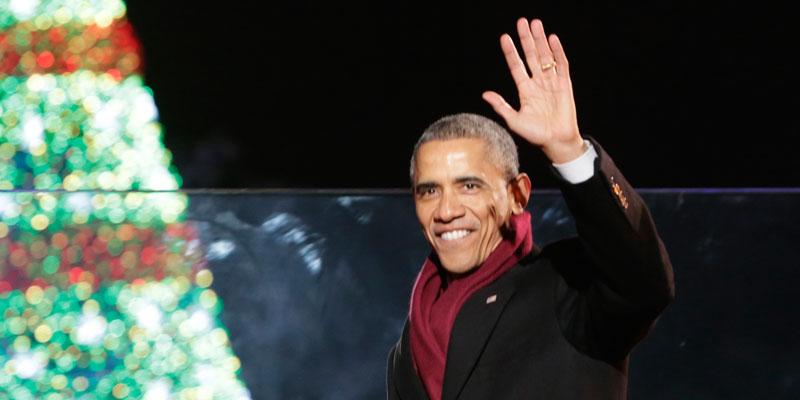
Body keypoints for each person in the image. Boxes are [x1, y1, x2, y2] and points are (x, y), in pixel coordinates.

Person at [386, 18, 675, 400]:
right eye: (429, 191)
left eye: (469, 186)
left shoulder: (569, 287)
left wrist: (568, 149)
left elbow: (646, 284)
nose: (446, 210)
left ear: (518, 195)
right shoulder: (408, 346)